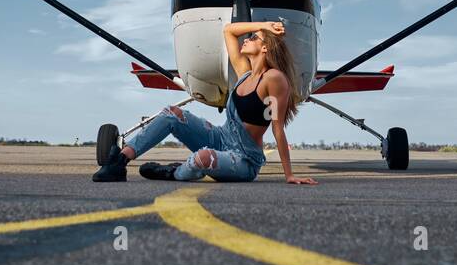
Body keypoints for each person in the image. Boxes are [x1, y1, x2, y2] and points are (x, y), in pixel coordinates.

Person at [93, 20, 317, 184]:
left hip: (244, 158)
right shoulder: (244, 74)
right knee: (172, 113)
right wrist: (264, 27)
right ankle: (118, 162)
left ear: (265, 48)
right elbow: (228, 30)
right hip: (220, 137)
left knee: (202, 158)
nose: (246, 39)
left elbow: (278, 129)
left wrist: (289, 174)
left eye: (254, 38)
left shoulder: (274, 79)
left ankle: (175, 172)